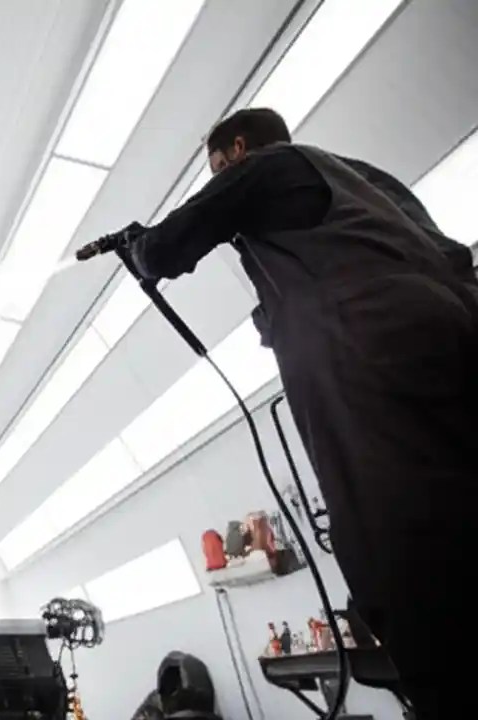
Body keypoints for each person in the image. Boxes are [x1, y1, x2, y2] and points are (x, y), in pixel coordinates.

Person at [81, 107, 476, 718]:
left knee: (395, 547)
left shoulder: (267, 165)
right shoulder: (367, 181)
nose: (220, 176)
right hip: (455, 342)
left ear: (238, 150)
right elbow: (449, 258)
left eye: (218, 167)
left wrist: (136, 245)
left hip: (368, 358)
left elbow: (165, 249)